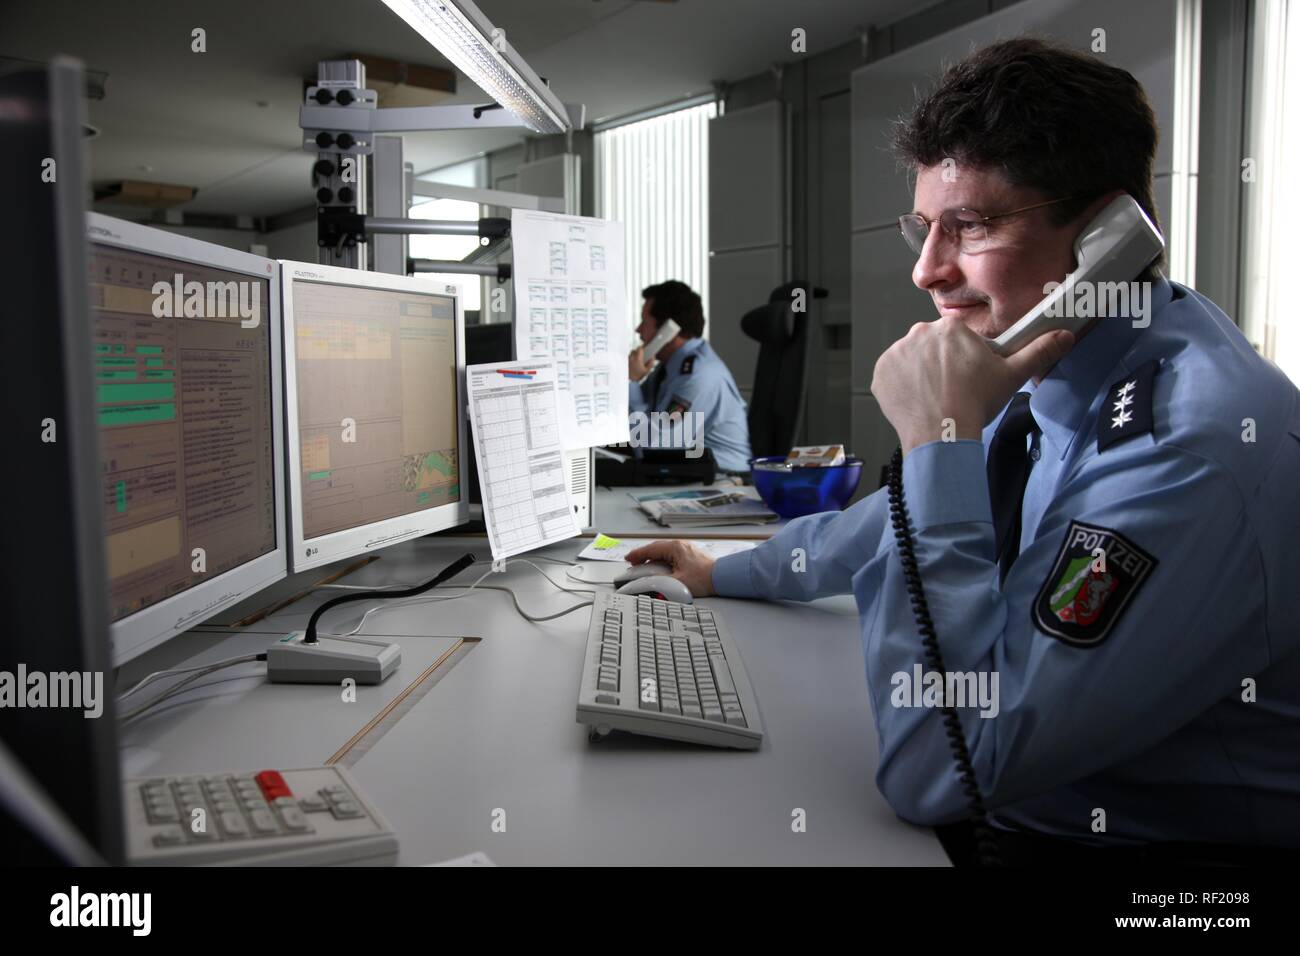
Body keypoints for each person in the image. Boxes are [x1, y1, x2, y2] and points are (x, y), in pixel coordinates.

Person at [626, 38, 1300, 863]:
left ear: (1109, 240)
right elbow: (884, 527)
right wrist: (716, 571)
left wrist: (933, 437)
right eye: (925, 227)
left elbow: (945, 769)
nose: (926, 270)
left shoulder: (1189, 451)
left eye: (972, 225)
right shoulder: (1068, 349)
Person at [627, 280, 752, 473]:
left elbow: (652, 446)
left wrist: (632, 381)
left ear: (667, 330)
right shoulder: (669, 369)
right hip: (689, 467)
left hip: (725, 477)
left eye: (644, 322)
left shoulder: (697, 376)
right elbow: (631, 420)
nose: (638, 330)